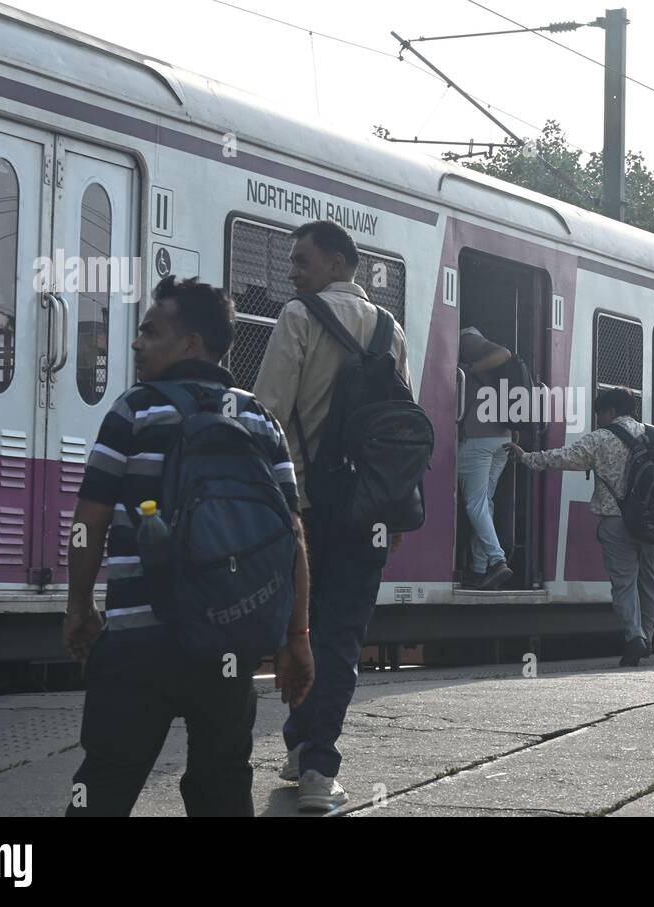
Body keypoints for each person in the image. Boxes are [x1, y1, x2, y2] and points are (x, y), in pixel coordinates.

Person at [64, 276, 313, 816]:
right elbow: (292, 535)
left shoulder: (133, 411)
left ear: (192, 343)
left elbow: (89, 521)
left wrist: (79, 608)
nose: (136, 343)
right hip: (228, 639)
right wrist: (296, 636)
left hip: (137, 641)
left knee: (104, 785)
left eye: (151, 332)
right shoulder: (259, 419)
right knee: (222, 786)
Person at [253, 220, 411, 811]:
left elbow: (269, 413)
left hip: (304, 505)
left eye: (302, 261)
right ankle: (310, 755)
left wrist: (275, 500)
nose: (293, 271)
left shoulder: (296, 317)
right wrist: (392, 511)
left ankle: (313, 756)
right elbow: (400, 428)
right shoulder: (390, 329)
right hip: (367, 508)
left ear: (339, 261)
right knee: (341, 636)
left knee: (299, 628)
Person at [506, 388, 654, 666]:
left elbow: (563, 457)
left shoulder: (600, 439)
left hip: (615, 520)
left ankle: (634, 637)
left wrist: (526, 457)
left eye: (599, 414)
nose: (598, 419)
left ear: (609, 411)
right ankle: (647, 635)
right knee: (648, 581)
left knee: (623, 583)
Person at [457, 326, 514, 590]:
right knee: (485, 504)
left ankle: (496, 560)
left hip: (478, 437)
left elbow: (503, 353)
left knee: (475, 503)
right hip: (501, 438)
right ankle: (479, 569)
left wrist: (469, 370)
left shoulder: (467, 338)